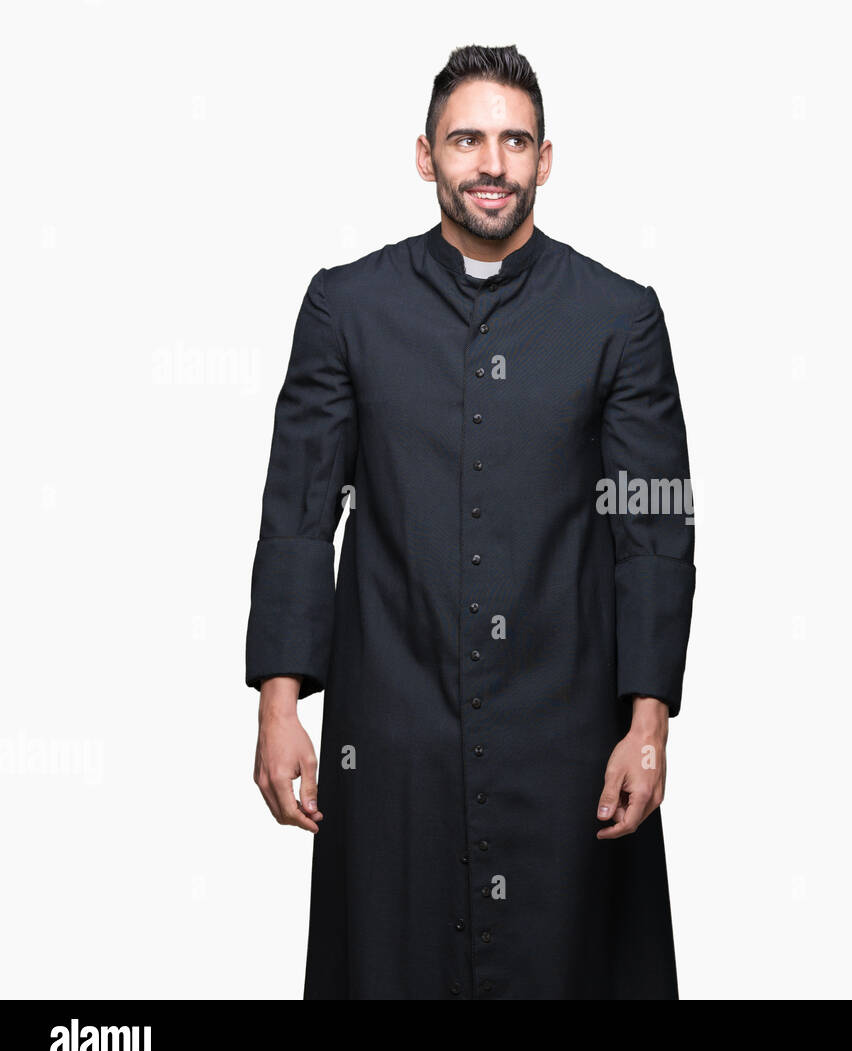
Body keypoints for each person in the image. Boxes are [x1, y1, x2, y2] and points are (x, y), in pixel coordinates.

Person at [245, 43, 696, 999]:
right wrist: (279, 706)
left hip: (569, 733)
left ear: (544, 159)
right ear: (425, 156)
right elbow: (298, 511)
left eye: (513, 141)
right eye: (467, 140)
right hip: (395, 733)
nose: (491, 163)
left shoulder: (621, 319)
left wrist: (647, 722)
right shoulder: (346, 308)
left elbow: (651, 529)